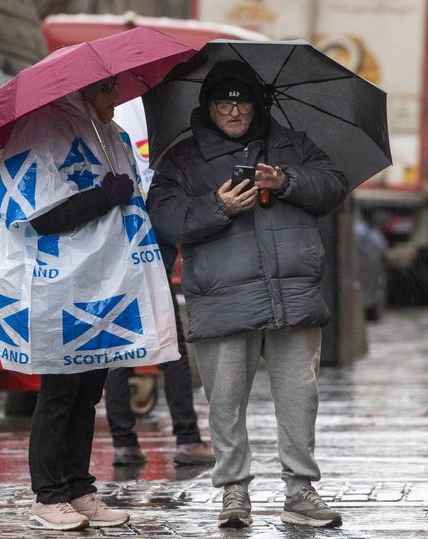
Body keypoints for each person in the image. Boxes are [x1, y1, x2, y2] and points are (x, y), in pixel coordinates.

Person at [147, 60, 347, 529]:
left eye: (241, 101)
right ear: (208, 106)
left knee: (301, 398)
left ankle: (300, 491)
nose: (233, 111)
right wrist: (218, 206)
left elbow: (333, 185)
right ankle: (234, 492)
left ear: (256, 103)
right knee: (225, 402)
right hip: (222, 298)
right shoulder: (182, 159)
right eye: (223, 102)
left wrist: (287, 181)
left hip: (292, 295)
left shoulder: (293, 146)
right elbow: (165, 216)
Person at [0, 76, 172, 531]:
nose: (115, 99)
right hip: (55, 289)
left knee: (88, 393)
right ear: (82, 91)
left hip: (102, 283)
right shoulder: (41, 134)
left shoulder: (112, 135)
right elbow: (40, 215)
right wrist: (106, 195)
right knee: (60, 393)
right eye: (107, 91)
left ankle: (79, 489)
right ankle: (47, 496)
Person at [105, 244, 215, 467]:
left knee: (117, 355)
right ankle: (188, 440)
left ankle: (124, 444)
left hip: (113, 267)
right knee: (172, 352)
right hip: (151, 263)